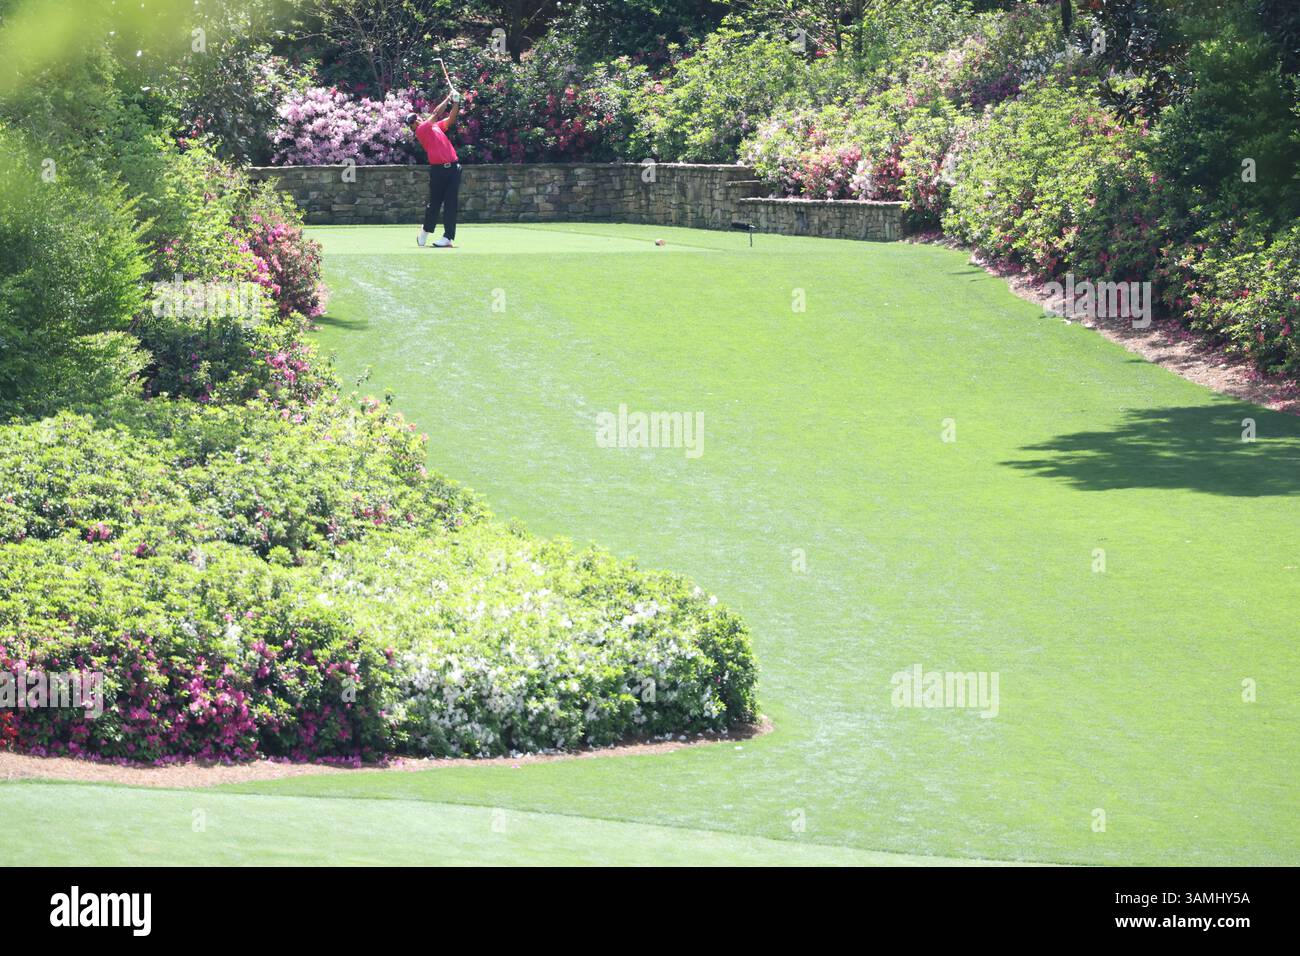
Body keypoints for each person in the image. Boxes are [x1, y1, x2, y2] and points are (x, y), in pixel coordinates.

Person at [407, 91, 464, 248]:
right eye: (411, 121)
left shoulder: (435, 127)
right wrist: (448, 97)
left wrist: (456, 103)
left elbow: (450, 119)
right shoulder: (421, 130)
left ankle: (448, 238)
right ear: (412, 127)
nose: (415, 120)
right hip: (438, 171)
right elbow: (436, 113)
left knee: (451, 203)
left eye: (415, 117)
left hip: (453, 168)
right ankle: (425, 231)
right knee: (435, 204)